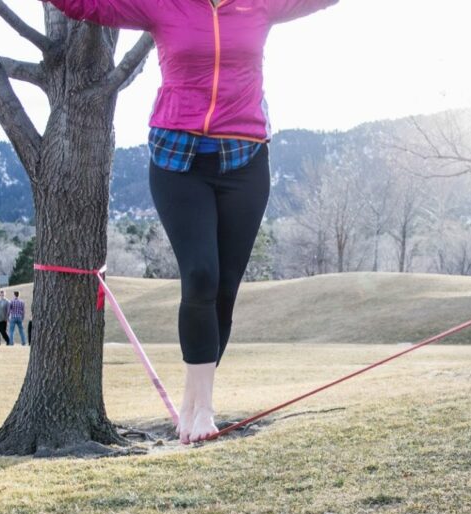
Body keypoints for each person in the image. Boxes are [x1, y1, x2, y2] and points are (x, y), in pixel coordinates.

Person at [45, 0, 339, 444]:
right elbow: (88, 5)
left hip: (244, 160)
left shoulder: (259, 5)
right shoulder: (165, 4)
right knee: (200, 275)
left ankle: (193, 400)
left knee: (223, 292)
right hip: (178, 161)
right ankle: (202, 409)